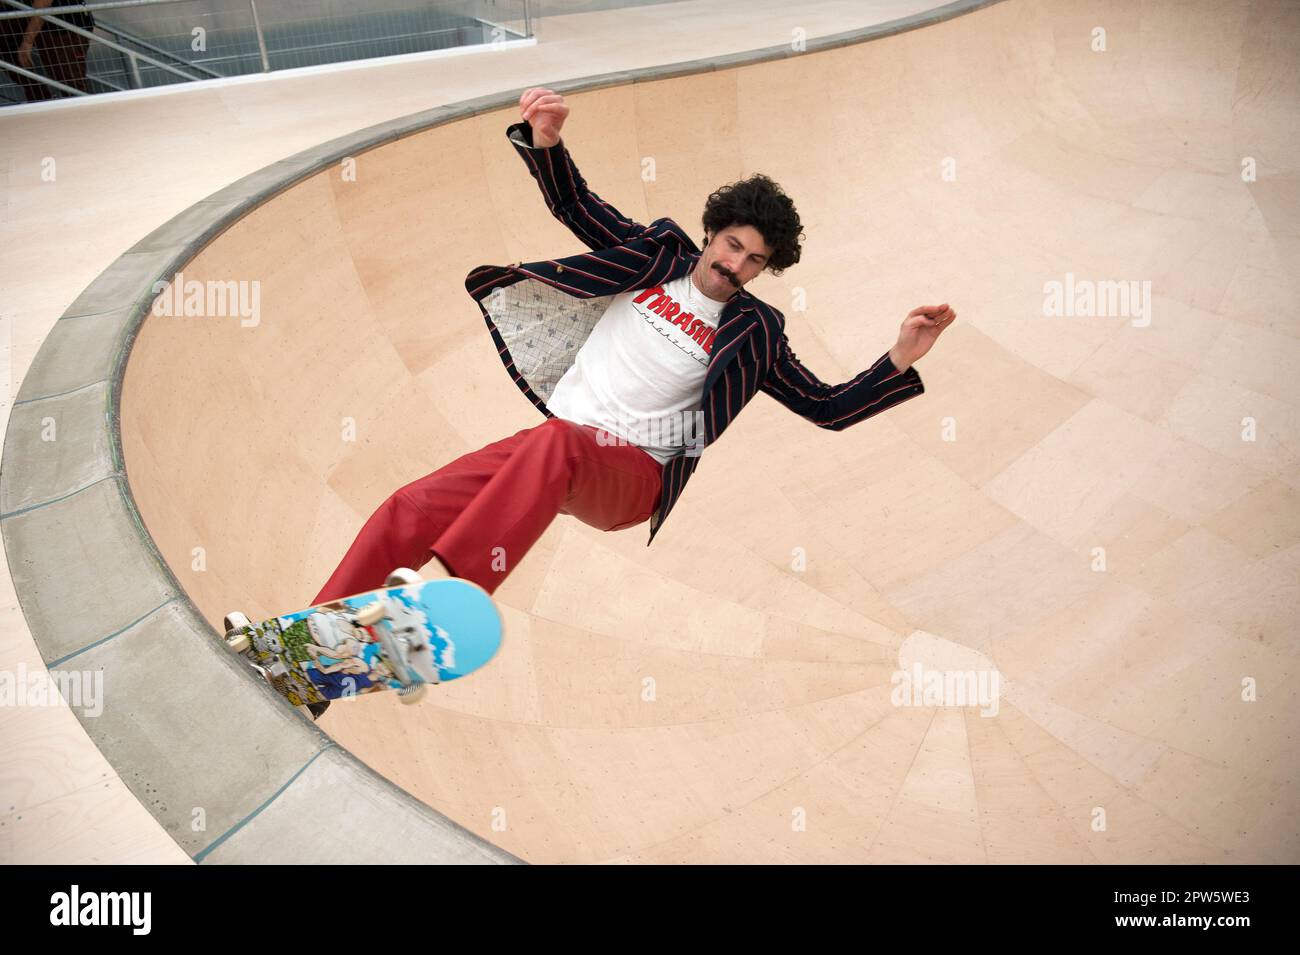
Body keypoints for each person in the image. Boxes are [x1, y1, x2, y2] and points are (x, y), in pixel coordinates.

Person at [306, 88, 954, 717]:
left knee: (558, 446)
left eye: (755, 261)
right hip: (556, 447)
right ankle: (314, 652)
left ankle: (435, 611)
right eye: (733, 245)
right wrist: (548, 140)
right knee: (410, 508)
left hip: (632, 473)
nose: (736, 266)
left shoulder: (757, 331)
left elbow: (827, 404)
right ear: (712, 233)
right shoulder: (656, 251)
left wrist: (899, 355)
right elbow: (575, 204)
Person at [1, 0, 94, 103]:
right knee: (62, 78)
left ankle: (82, 110)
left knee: (70, 81)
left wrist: (27, 42)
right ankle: (43, 101)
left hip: (65, 25)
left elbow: (43, 3)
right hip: (45, 25)